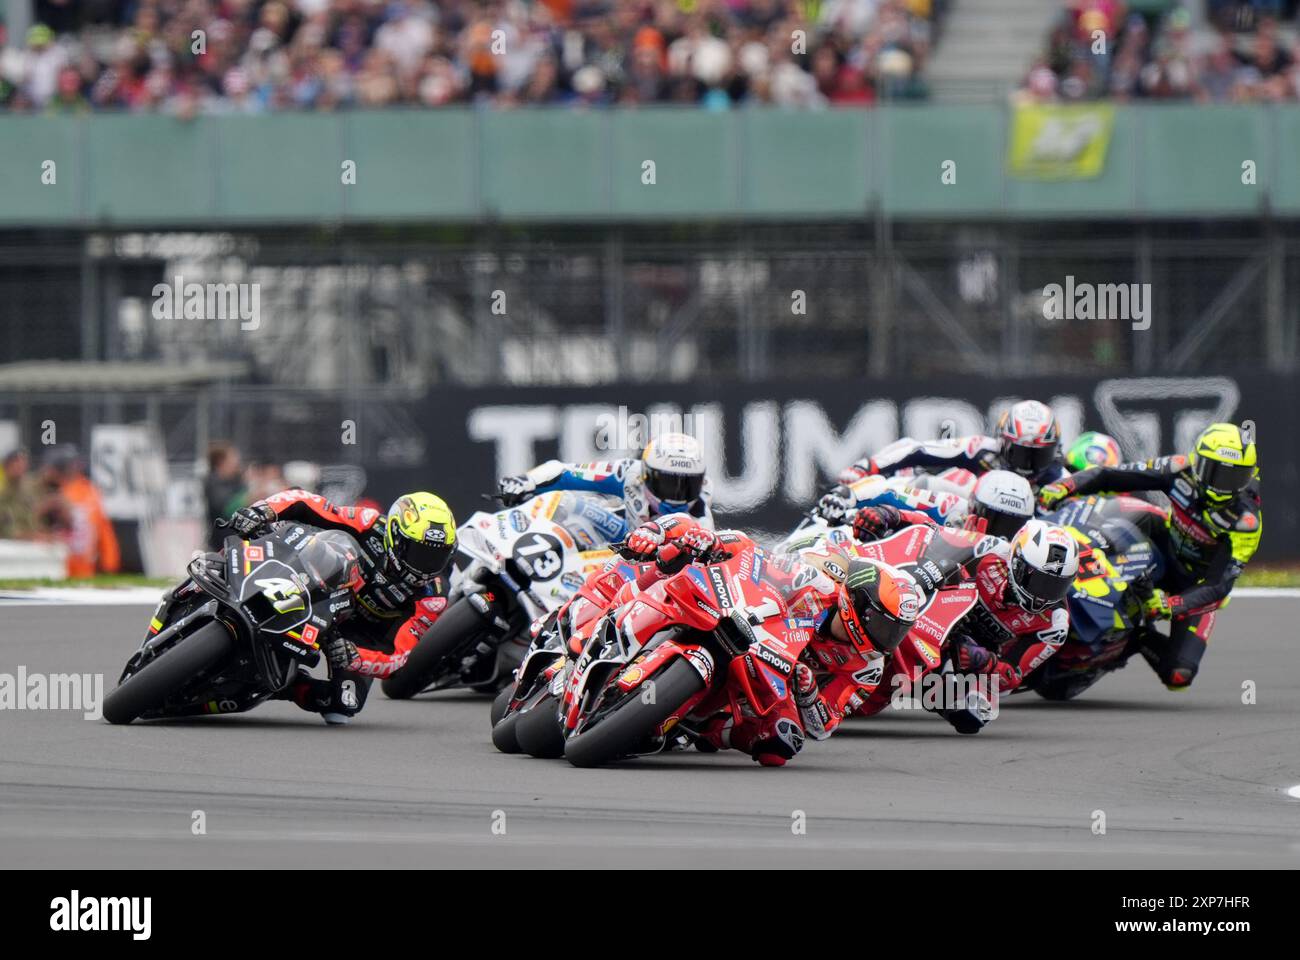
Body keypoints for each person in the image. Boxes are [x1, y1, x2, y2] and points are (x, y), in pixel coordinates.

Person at [1037, 422, 1261, 690]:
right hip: (1162, 538)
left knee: (1178, 676)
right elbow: (1111, 475)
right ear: (1199, 463)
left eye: (1236, 477)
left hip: (1194, 586)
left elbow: (1218, 587)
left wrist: (1172, 604)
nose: (1224, 486)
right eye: (1217, 473)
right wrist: (1066, 485)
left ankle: (1135, 636)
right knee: (1120, 511)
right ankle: (1061, 562)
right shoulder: (1179, 469)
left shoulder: (1245, 523)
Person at [219, 489, 457, 723]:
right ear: (395, 534)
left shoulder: (433, 595)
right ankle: (216, 579)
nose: (427, 565)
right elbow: (307, 502)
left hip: (357, 634)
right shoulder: (370, 523)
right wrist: (263, 511)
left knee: (343, 704)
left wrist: (355, 656)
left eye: (437, 556)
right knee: (257, 538)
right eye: (420, 553)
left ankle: (282, 686)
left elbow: (398, 656)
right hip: (320, 592)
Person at [819, 400, 1066, 522]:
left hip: (1018, 557)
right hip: (967, 529)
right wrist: (867, 466)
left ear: (1054, 451)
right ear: (1002, 441)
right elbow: (916, 449)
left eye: (1037, 454)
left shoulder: (1063, 482)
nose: (1027, 465)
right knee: (928, 482)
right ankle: (857, 504)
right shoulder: (982, 450)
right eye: (1020, 452)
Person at [497, 432, 713, 528]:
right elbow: (565, 472)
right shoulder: (628, 472)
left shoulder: (702, 504)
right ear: (645, 474)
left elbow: (708, 546)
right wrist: (527, 481)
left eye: (686, 485)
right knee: (570, 506)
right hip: (621, 543)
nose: (676, 494)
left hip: (663, 572)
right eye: (667, 482)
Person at [42, 446, 120, 579]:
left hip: (82, 566)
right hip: (57, 564)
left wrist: (109, 561)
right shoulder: (50, 491)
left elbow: (102, 528)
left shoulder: (88, 490)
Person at [204, 441, 248, 551]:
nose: (237, 462)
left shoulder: (237, 480)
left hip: (238, 541)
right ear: (221, 461)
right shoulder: (213, 482)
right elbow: (226, 508)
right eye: (232, 458)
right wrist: (252, 495)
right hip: (221, 544)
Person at [0, 448, 42, 540]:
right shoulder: (3, 493)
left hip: (32, 546)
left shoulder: (32, 490)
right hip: (9, 547)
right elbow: (9, 530)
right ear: (6, 466)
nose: (20, 466)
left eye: (23, 462)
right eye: (15, 462)